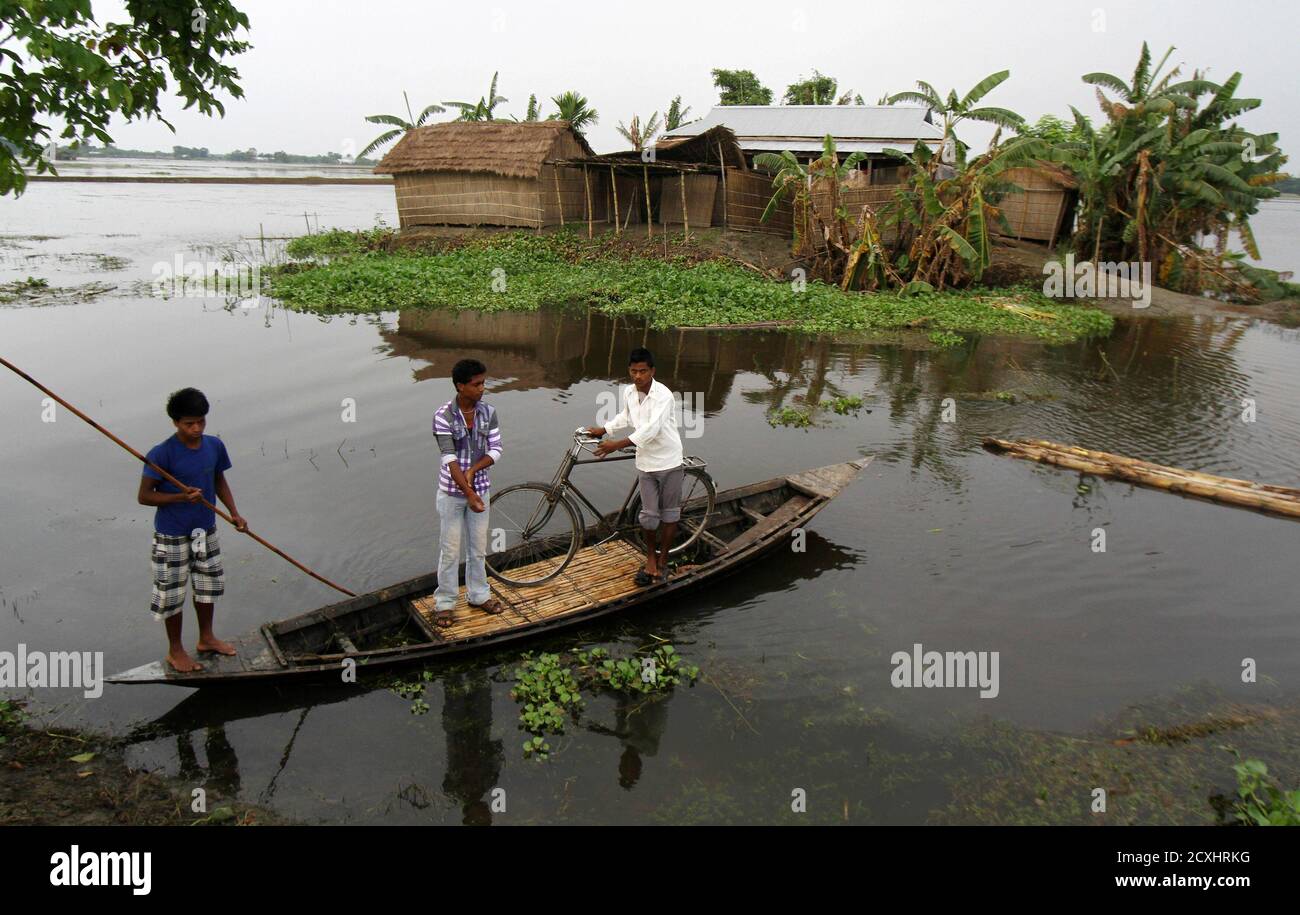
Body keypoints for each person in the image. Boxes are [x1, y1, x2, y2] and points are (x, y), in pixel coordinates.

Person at [137, 387, 247, 673]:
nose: (196, 428)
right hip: (172, 534)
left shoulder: (214, 446)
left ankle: (207, 638)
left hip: (205, 530)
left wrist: (234, 513)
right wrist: (178, 497)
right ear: (175, 422)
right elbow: (145, 496)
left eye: (201, 421)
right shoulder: (161, 455)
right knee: (172, 593)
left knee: (207, 586)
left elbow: (219, 480)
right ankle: (176, 651)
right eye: (189, 423)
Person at [585, 347, 683, 585]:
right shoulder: (630, 392)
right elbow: (626, 417)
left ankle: (663, 561)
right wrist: (604, 429)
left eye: (643, 371)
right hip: (646, 462)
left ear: (652, 371)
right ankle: (650, 557)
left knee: (669, 515)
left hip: (669, 460)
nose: (638, 376)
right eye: (633, 371)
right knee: (649, 517)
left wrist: (616, 444)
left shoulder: (664, 396)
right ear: (629, 371)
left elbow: (651, 430)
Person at [432, 359, 504, 626]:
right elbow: (449, 459)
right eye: (476, 384)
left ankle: (478, 595)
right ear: (460, 386)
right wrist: (468, 493)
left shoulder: (489, 412)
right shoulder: (443, 416)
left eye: (483, 383)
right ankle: (445, 602)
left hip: (481, 489)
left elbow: (496, 450)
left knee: (478, 549)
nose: (482, 388)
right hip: (452, 494)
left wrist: (474, 472)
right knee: (450, 550)